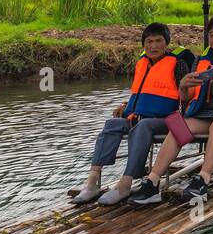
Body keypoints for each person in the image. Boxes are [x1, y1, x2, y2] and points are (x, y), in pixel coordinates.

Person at [130, 15, 213, 205]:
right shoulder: (202, 58)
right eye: (212, 35)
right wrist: (183, 86)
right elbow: (186, 98)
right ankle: (152, 182)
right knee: (179, 124)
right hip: (205, 115)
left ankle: (203, 179)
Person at [70, 23, 195, 205]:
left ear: (166, 43)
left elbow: (186, 98)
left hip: (166, 120)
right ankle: (92, 182)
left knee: (143, 126)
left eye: (158, 41)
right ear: (143, 44)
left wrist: (185, 91)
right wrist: (126, 105)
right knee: (111, 125)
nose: (153, 46)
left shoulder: (178, 64)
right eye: (149, 41)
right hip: (138, 117)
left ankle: (126, 183)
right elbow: (142, 92)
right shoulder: (141, 63)